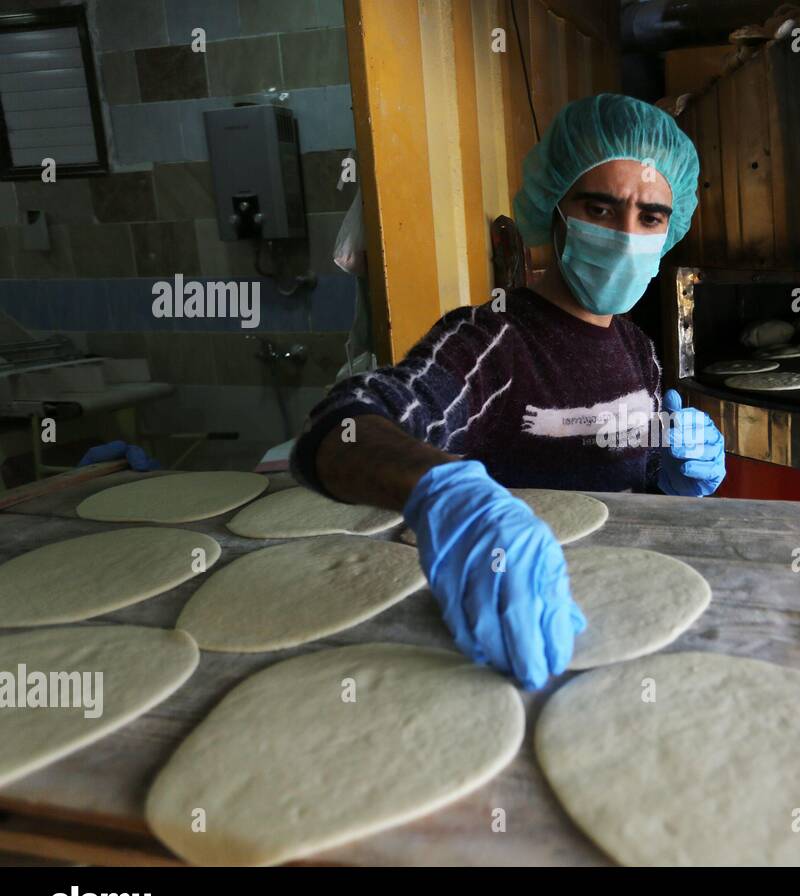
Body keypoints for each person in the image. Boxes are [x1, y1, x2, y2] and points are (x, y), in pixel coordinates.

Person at [290, 94, 726, 691]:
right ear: (553, 211)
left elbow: (637, 475)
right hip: (506, 624)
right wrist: (446, 496)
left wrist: (671, 476)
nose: (626, 237)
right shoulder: (491, 339)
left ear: (669, 230)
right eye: (600, 208)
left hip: (622, 616)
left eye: (649, 217)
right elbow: (344, 422)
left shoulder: (637, 347)